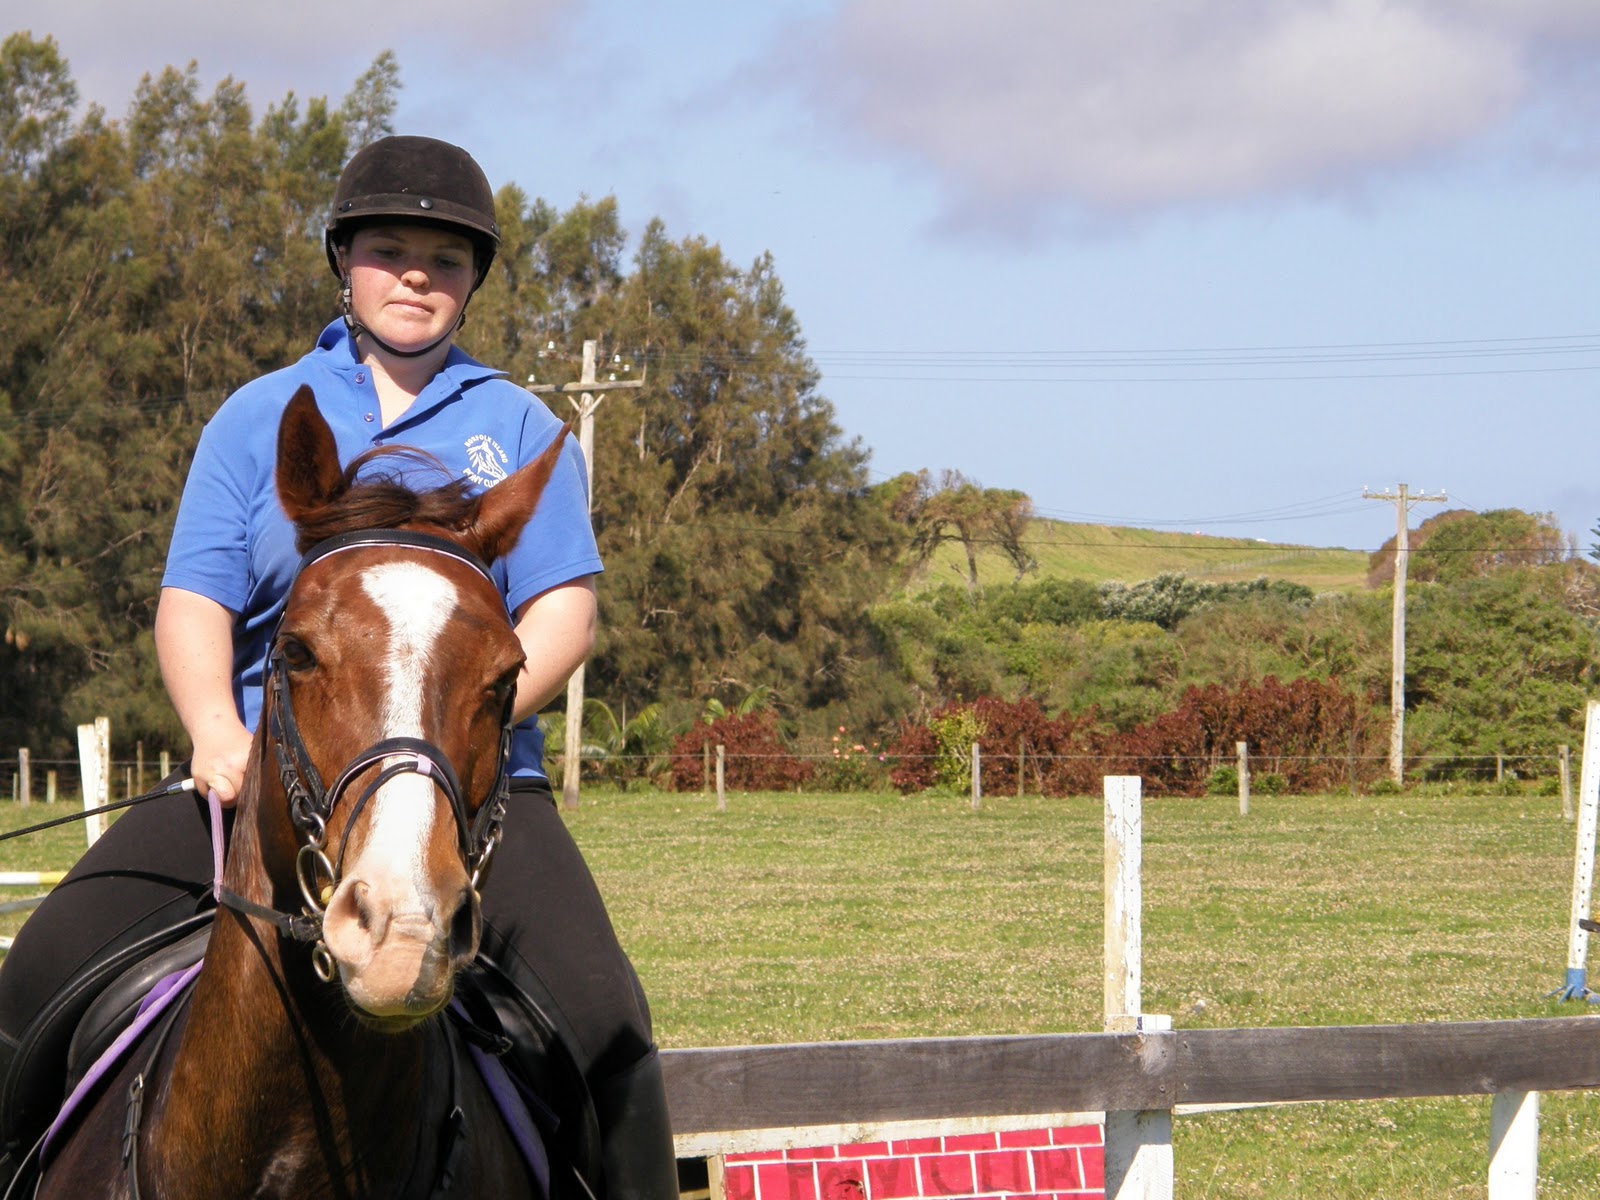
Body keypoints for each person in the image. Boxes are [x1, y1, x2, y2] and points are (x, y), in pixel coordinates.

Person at [0, 135, 676, 1199]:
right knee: (31, 979)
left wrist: (468, 731)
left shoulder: (519, 424)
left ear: (473, 282)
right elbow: (193, 604)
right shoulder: (257, 414)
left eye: (446, 260)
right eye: (391, 250)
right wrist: (219, 735)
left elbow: (564, 611)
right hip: (264, 768)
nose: (418, 275)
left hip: (472, 784)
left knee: (607, 1026)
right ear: (343, 264)